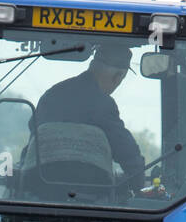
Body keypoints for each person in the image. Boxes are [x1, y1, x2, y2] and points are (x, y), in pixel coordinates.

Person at [33, 39, 146, 190]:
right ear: (118, 77)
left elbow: (34, 132)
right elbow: (126, 152)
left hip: (38, 187)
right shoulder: (104, 104)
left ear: (92, 65)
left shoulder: (52, 94)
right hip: (87, 194)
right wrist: (137, 180)